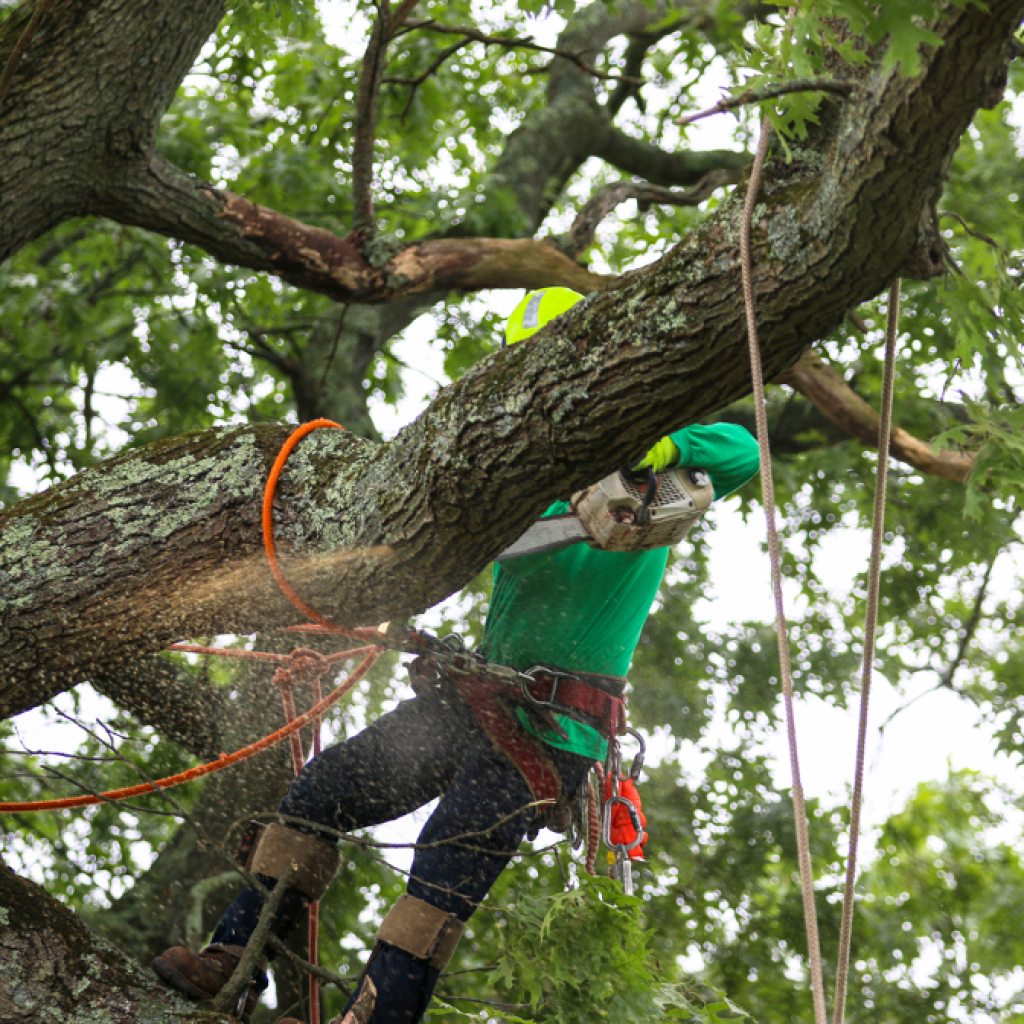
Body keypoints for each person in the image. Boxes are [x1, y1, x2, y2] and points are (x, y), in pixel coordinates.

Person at [151, 287, 760, 1024]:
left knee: (443, 862)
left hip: (554, 731)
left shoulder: (649, 473)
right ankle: (235, 964)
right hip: (475, 702)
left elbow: (743, 450)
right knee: (325, 788)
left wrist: (660, 448)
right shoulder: (522, 476)